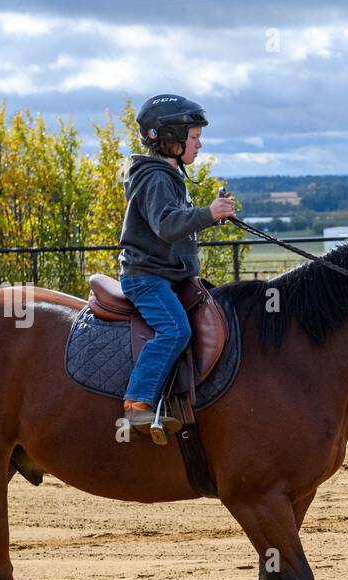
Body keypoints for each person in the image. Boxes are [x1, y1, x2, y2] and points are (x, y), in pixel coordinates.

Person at [118, 93, 236, 440]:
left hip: (169, 277)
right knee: (174, 330)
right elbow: (167, 225)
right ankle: (137, 405)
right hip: (147, 278)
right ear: (169, 138)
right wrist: (208, 214)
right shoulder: (154, 178)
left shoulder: (168, 174)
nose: (199, 144)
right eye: (194, 137)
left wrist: (210, 217)